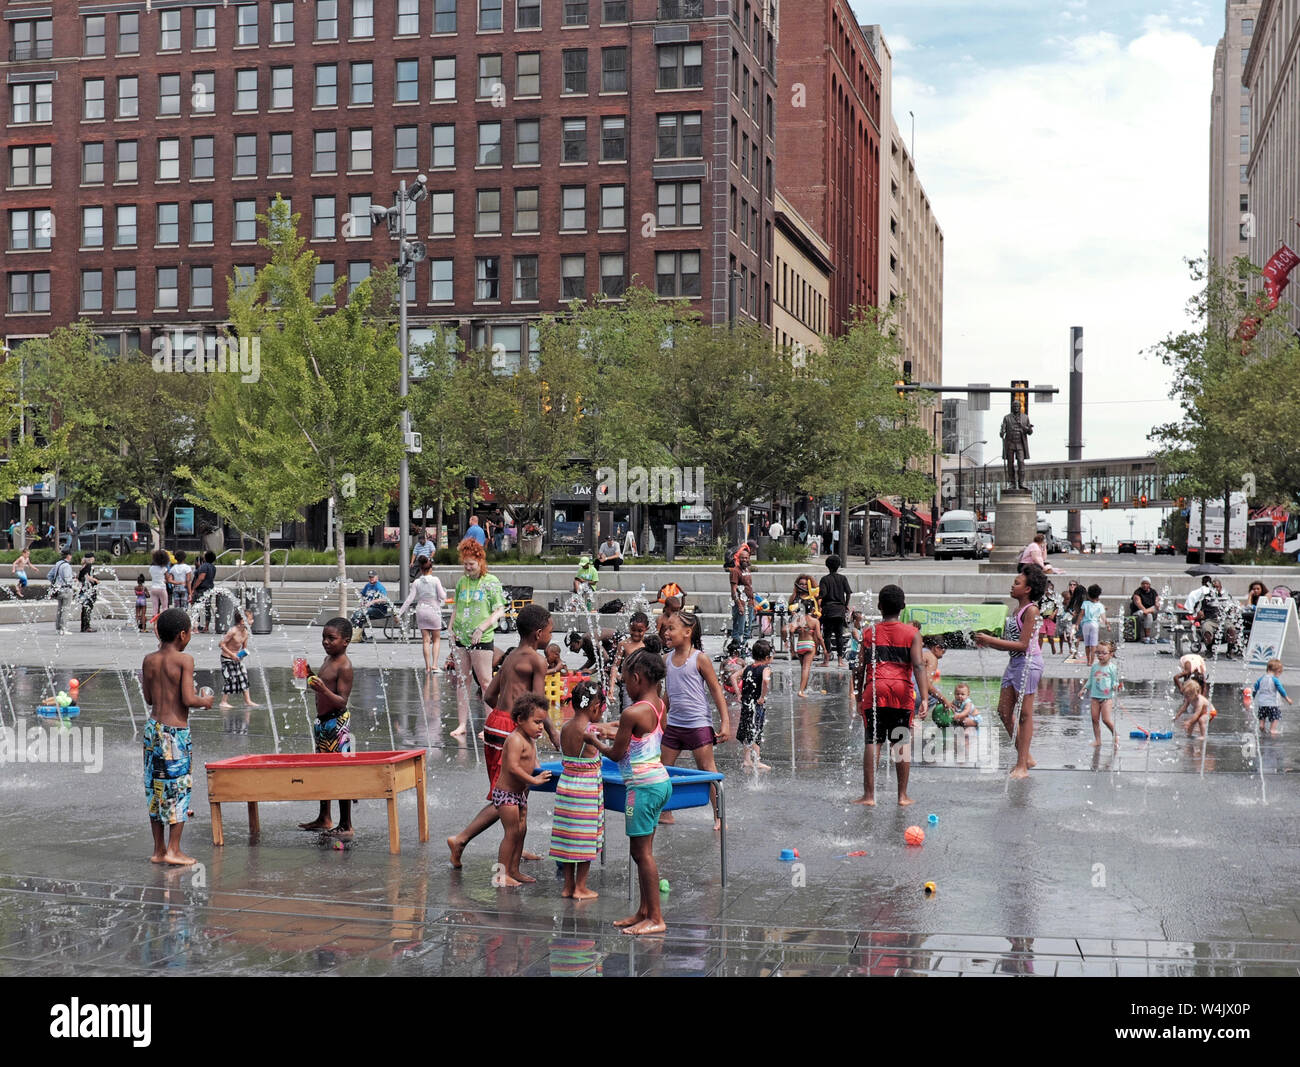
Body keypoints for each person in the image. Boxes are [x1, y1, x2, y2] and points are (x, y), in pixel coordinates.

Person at [447, 604, 560, 868]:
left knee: (517, 793)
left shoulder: (510, 656)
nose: (551, 638)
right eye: (550, 632)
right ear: (539, 632)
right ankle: (461, 839)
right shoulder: (536, 660)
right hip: (511, 730)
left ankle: (516, 850)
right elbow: (539, 704)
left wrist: (507, 711)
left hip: (495, 723)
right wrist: (553, 733)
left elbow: (488, 696)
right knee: (507, 796)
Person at [601, 648, 672, 935]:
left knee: (643, 855)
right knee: (640, 851)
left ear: (636, 678)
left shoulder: (632, 712)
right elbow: (641, 736)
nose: (624, 687)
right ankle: (644, 911)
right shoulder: (658, 705)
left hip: (641, 788)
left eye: (625, 682)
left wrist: (592, 741)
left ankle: (656, 918)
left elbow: (617, 754)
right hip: (658, 782)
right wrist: (614, 730)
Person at [141, 607, 213, 866]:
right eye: (190, 631)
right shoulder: (184, 660)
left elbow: (149, 698)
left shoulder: (149, 659)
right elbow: (187, 699)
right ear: (183, 634)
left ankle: (159, 850)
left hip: (152, 730)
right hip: (175, 733)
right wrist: (205, 701)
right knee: (178, 789)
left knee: (155, 788)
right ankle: (174, 850)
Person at [853, 583, 927, 806]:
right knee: (901, 742)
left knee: (873, 740)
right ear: (902, 607)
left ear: (879, 606)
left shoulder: (869, 632)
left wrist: (858, 696)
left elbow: (859, 667)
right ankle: (902, 796)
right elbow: (919, 666)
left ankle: (868, 796)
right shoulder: (913, 633)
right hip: (902, 692)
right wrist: (923, 697)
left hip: (875, 690)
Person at [974, 564, 1046, 780]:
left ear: (1028, 589)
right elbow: (1010, 643)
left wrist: (991, 640)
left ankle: (1022, 765)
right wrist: (987, 642)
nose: (1012, 585)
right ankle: (1026, 757)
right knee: (1004, 712)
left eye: (1017, 583)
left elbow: (1023, 645)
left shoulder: (1031, 610)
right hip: (1015, 664)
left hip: (1028, 664)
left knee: (1024, 715)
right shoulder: (1016, 610)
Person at [659, 610, 729, 830]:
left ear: (688, 632)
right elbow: (668, 694)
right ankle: (666, 812)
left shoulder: (700, 659)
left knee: (707, 770)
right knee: (661, 769)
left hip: (698, 724)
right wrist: (659, 716)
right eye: (666, 628)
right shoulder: (666, 659)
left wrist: (725, 722)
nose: (666, 632)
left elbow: (716, 691)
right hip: (675, 725)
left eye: (671, 628)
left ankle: (719, 817)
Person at [297, 618, 356, 837]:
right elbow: (321, 686)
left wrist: (322, 689)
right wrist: (310, 674)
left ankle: (346, 824)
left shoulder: (345, 666)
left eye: (331, 638)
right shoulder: (327, 659)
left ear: (346, 641)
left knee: (341, 772)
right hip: (322, 722)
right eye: (324, 637)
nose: (326, 642)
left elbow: (341, 700)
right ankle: (324, 817)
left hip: (337, 723)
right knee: (323, 769)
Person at [548, 680, 607, 900]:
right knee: (585, 838)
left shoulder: (566, 727)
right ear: (594, 707)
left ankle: (568, 886)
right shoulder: (590, 730)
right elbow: (608, 750)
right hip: (586, 789)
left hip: (566, 787)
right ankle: (581, 887)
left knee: (569, 837)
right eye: (601, 708)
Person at [490, 693, 554, 887]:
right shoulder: (516, 739)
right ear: (519, 719)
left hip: (519, 794)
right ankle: (501, 874)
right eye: (536, 722)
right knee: (511, 833)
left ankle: (514, 870)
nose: (541, 727)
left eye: (542, 722)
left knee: (521, 831)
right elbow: (512, 767)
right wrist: (534, 780)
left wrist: (542, 771)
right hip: (507, 794)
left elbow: (532, 762)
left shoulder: (529, 739)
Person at [448, 538, 507, 740]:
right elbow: (457, 607)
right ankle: (462, 723)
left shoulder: (491, 582)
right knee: (462, 680)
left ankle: (490, 724)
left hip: (481, 636)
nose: (468, 568)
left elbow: (499, 610)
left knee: (485, 681)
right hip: (461, 636)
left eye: (471, 564)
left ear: (480, 561)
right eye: (465, 564)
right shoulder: (462, 582)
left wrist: (482, 627)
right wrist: (450, 628)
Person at [397, 558, 448, 672]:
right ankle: (435, 665)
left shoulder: (416, 582)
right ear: (431, 568)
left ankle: (427, 667)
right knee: (436, 640)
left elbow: (409, 599)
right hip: (434, 611)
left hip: (421, 611)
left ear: (420, 569)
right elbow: (443, 596)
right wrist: (444, 593)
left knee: (425, 640)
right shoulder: (435, 580)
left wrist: (399, 613)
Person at [738, 639, 773, 771]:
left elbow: (733, 677)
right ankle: (756, 761)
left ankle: (747, 760)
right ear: (767, 657)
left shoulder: (748, 668)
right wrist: (762, 696)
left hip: (746, 704)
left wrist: (739, 693)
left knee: (747, 731)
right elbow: (765, 680)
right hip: (757, 705)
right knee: (757, 731)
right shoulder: (766, 668)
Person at [608, 611, 649, 709]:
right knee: (627, 709)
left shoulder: (647, 644)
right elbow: (615, 666)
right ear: (629, 627)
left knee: (644, 710)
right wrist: (611, 687)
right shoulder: (623, 644)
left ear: (647, 629)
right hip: (628, 685)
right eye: (633, 630)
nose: (636, 633)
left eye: (640, 631)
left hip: (644, 685)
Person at [218, 609, 257, 710]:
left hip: (237, 658)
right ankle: (223, 702)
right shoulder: (233, 631)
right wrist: (232, 655)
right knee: (231, 678)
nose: (252, 621)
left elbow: (244, 647)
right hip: (227, 658)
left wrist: (243, 654)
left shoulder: (246, 632)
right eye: (251, 619)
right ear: (243, 621)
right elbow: (221, 644)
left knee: (244, 677)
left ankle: (247, 701)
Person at [819, 555, 852, 667]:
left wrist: (816, 598)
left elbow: (822, 594)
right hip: (840, 610)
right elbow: (848, 592)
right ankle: (840, 661)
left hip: (828, 610)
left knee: (827, 635)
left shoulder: (824, 579)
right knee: (839, 635)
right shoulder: (843, 578)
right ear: (838, 566)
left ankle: (826, 661)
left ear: (827, 566)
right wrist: (846, 605)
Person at [1086, 641, 1120, 747]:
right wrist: (1084, 689)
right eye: (1098, 653)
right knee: (1094, 719)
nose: (1100, 655)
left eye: (1104, 653)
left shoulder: (1112, 668)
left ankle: (1115, 734)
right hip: (1095, 697)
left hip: (1106, 699)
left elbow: (1116, 681)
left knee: (1105, 719)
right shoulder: (1095, 667)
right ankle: (1098, 740)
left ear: (1111, 654)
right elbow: (1090, 681)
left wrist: (1115, 685)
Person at [1252, 658, 1292, 736]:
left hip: (1262, 704)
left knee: (1262, 718)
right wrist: (1287, 698)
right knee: (1275, 717)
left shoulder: (1261, 679)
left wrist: (1252, 698)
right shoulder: (1275, 679)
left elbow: (1255, 688)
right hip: (1272, 704)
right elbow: (1281, 690)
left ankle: (1261, 726)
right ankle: (1272, 730)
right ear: (1277, 671)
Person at [728, 543, 755, 645]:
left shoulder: (747, 569)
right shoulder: (735, 571)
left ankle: (745, 648)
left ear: (749, 558)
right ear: (738, 559)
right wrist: (739, 605)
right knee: (739, 629)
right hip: (741, 604)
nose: (744, 560)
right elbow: (733, 590)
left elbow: (749, 587)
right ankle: (737, 648)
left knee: (748, 629)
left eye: (746, 558)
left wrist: (753, 602)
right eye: (742, 558)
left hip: (749, 604)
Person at [48, 549, 76, 635]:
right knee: (65, 609)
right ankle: (63, 629)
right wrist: (73, 581)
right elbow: (68, 578)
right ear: (68, 556)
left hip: (58, 589)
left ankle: (58, 628)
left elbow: (49, 575)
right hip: (66, 589)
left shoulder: (58, 563)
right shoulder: (67, 565)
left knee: (59, 609)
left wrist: (56, 583)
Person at [1078, 584, 1107, 666]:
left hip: (1085, 625)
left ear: (1088, 594)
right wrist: (1107, 625)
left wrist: (1076, 624)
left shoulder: (1085, 603)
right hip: (1094, 625)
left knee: (1087, 644)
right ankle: (1092, 661)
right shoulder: (1100, 605)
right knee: (1093, 645)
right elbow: (1103, 617)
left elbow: (1081, 614)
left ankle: (1088, 660)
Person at [190, 550, 218, 632]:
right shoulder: (213, 567)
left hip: (201, 589)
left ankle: (197, 625)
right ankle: (206, 626)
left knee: (196, 606)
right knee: (207, 608)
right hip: (209, 589)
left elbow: (201, 577)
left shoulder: (204, 566)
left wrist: (194, 588)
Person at [1130, 577, 1160, 645]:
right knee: (1148, 615)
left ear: (1149, 584)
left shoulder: (1153, 591)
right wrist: (1145, 611)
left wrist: (1156, 604)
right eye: (1143, 583)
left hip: (1150, 611)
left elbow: (1157, 602)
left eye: (1146, 583)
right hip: (1139, 612)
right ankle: (1147, 637)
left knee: (1153, 610)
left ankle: (1148, 611)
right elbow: (1138, 604)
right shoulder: (1137, 592)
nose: (1145, 585)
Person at [1061, 579, 1085, 661]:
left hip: (1075, 619)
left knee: (1076, 637)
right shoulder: (1082, 599)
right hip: (1079, 619)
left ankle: (1075, 651)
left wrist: (1073, 613)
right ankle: (1076, 651)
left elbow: (1068, 608)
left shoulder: (1076, 598)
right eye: (1071, 584)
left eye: (1074, 585)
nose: (1072, 586)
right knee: (1078, 636)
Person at [76, 553, 99, 633]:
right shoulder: (89, 566)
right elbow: (87, 577)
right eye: (93, 558)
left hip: (83, 590)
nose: (94, 559)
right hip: (89, 591)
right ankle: (87, 627)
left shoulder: (83, 566)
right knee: (88, 608)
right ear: (91, 559)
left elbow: (79, 578)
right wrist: (95, 580)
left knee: (84, 608)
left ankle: (83, 626)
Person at [147, 549, 171, 626]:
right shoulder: (164, 568)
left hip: (153, 588)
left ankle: (155, 624)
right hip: (162, 588)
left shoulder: (151, 568)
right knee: (164, 607)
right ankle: (165, 623)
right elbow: (168, 579)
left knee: (155, 607)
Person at [1038, 581, 1061, 655]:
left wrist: (1053, 614)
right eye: (1047, 589)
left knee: (1050, 637)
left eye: (1050, 589)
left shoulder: (1055, 599)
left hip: (1051, 620)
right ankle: (1039, 650)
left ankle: (1052, 646)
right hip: (1043, 619)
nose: (1048, 591)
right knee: (1041, 635)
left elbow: (1057, 607)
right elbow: (1038, 607)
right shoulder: (1041, 598)